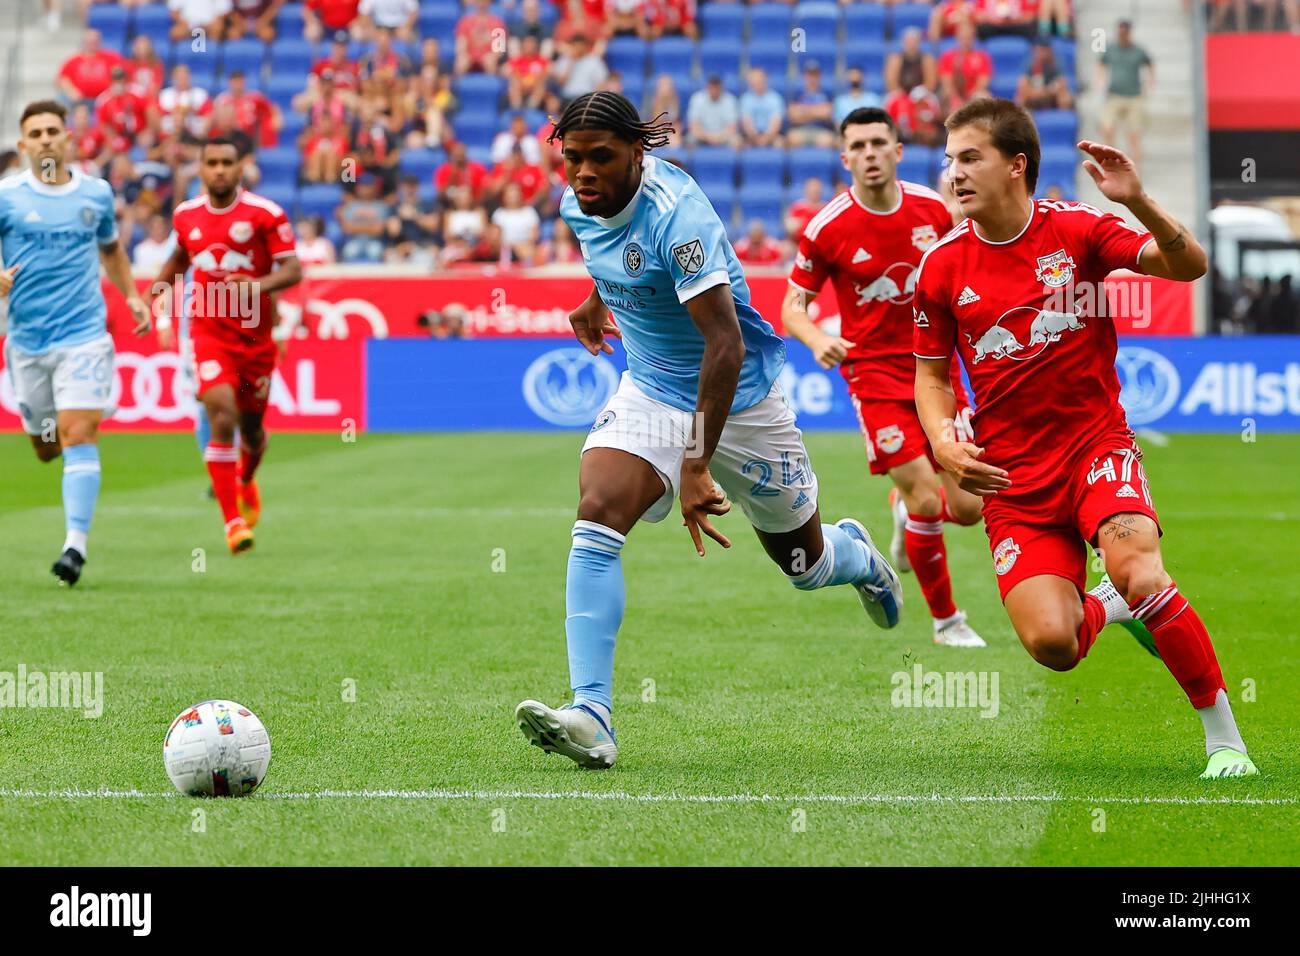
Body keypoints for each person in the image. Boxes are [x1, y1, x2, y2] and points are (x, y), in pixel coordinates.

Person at [513, 92, 903, 770]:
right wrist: (594, 300)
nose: (581, 173)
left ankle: (860, 558)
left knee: (803, 566)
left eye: (599, 157)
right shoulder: (581, 200)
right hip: (651, 388)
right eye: (571, 158)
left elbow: (726, 346)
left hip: (740, 400)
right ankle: (592, 714)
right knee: (597, 513)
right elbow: (621, 258)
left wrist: (696, 465)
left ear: (638, 152)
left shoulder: (680, 217)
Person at [913, 97, 1257, 779]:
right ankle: (1110, 604)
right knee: (1054, 644)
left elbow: (1187, 266)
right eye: (949, 159)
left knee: (1140, 565)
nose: (953, 174)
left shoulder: (1078, 230)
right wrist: (946, 444)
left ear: (1017, 165)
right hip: (1011, 475)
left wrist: (1141, 202)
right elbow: (931, 378)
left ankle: (1225, 741)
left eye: (969, 157)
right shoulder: (940, 268)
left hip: (1095, 446)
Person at [781, 107, 986, 648]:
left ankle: (899, 514)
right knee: (926, 498)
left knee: (967, 508)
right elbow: (793, 307)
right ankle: (947, 622)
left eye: (879, 143)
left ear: (897, 150)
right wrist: (817, 338)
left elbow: (966, 274)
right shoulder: (828, 228)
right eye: (859, 146)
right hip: (874, 379)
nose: (869, 154)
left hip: (937, 371)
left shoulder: (933, 212)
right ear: (844, 157)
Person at [0, 100, 151, 585]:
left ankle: (74, 547)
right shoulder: (6, 197)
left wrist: (132, 295)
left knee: (79, 433)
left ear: (69, 139)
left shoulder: (96, 194)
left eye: (53, 131)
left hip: (84, 334)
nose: (45, 139)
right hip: (26, 340)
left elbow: (111, 249)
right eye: (35, 133)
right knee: (47, 446)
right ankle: (64, 460)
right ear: (23, 145)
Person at [153, 136, 302, 554]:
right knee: (221, 413)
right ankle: (232, 523)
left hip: (254, 337)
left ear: (241, 168)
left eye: (227, 162)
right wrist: (155, 305)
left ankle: (246, 477)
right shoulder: (185, 216)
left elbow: (293, 270)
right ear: (200, 169)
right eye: (211, 162)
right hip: (208, 331)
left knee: (252, 431)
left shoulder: (265, 214)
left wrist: (256, 286)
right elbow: (177, 264)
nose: (219, 169)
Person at [1097, 20, 1153, 168]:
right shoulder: (1111, 49)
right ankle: (1110, 162)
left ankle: (1135, 168)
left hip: (1133, 96)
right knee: (1107, 127)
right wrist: (1101, 80)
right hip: (1114, 95)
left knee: (1133, 134)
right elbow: (1101, 63)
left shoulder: (1138, 51)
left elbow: (1150, 64)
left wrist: (1149, 83)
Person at [686, 74, 739, 148]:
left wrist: (718, 138)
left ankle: (735, 160)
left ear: (721, 88)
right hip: (702, 136)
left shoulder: (730, 100)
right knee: (690, 139)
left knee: (736, 140)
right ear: (707, 87)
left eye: (716, 87)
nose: (714, 90)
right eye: (712, 87)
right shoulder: (697, 99)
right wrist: (708, 137)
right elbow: (694, 126)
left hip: (724, 136)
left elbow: (732, 127)